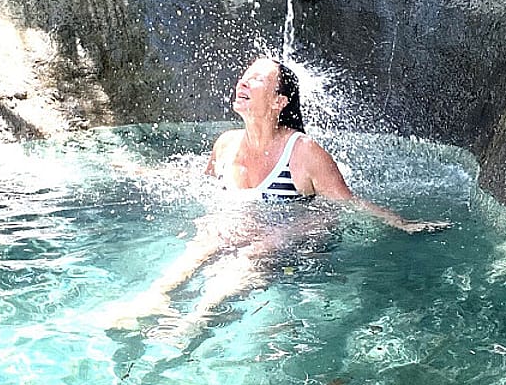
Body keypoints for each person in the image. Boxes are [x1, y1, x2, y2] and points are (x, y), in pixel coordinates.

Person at [102, 56, 448, 333]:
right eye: (244, 76)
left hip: (293, 234)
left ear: (279, 101)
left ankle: (195, 321)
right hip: (243, 227)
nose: (243, 82)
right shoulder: (225, 145)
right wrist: (144, 171)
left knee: (255, 251)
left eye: (257, 80)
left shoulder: (303, 152)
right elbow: (196, 181)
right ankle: (154, 300)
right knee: (206, 241)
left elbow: (346, 203)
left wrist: (403, 224)